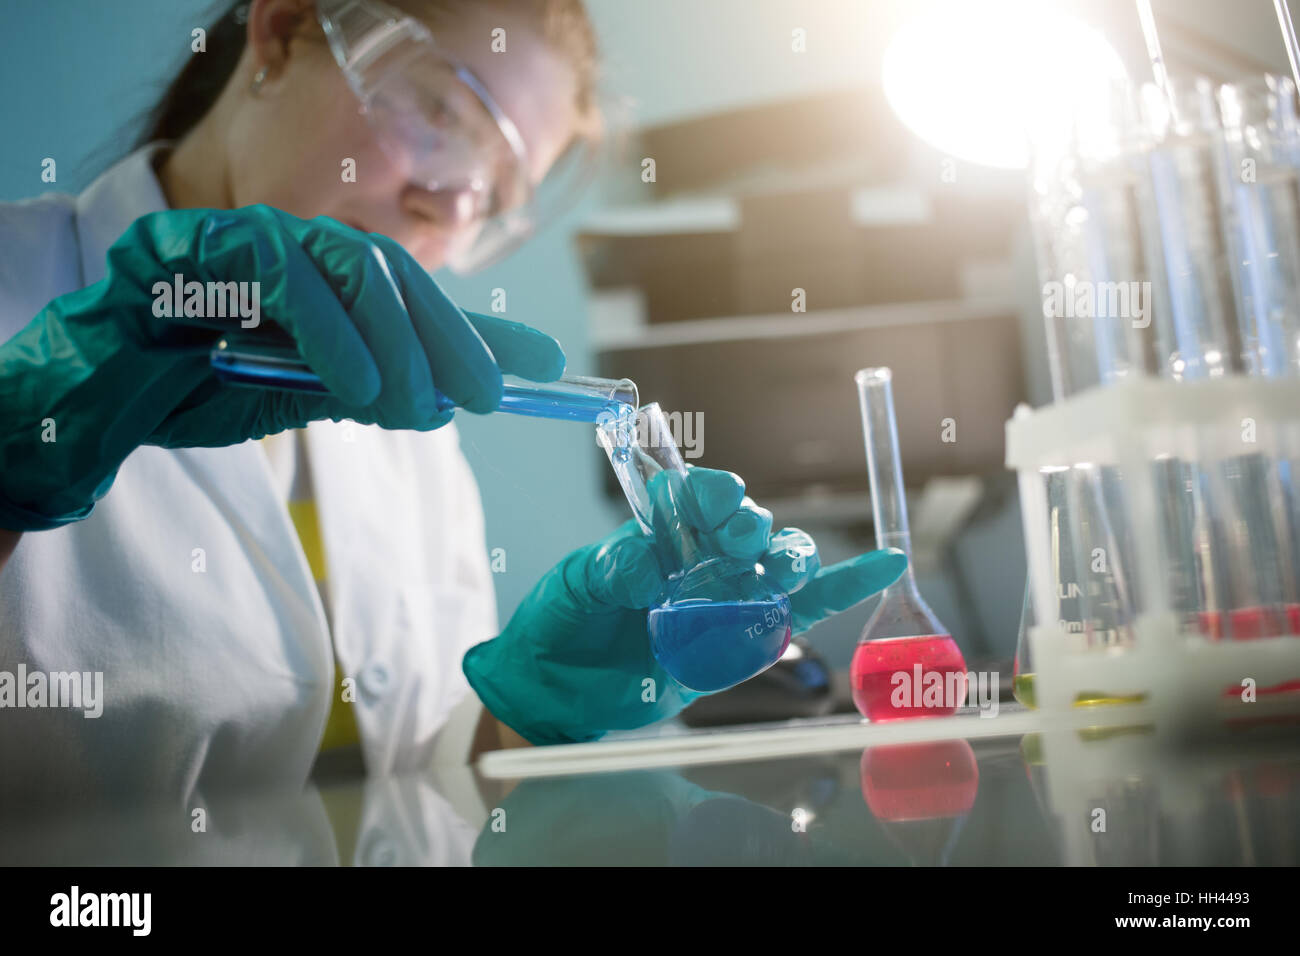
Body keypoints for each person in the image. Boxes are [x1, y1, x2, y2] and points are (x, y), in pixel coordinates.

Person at [0, 0, 905, 807]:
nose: (447, 203)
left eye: (495, 194)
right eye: (441, 113)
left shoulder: (414, 440)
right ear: (279, 32)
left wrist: (528, 710)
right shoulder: (17, 283)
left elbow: (417, 786)